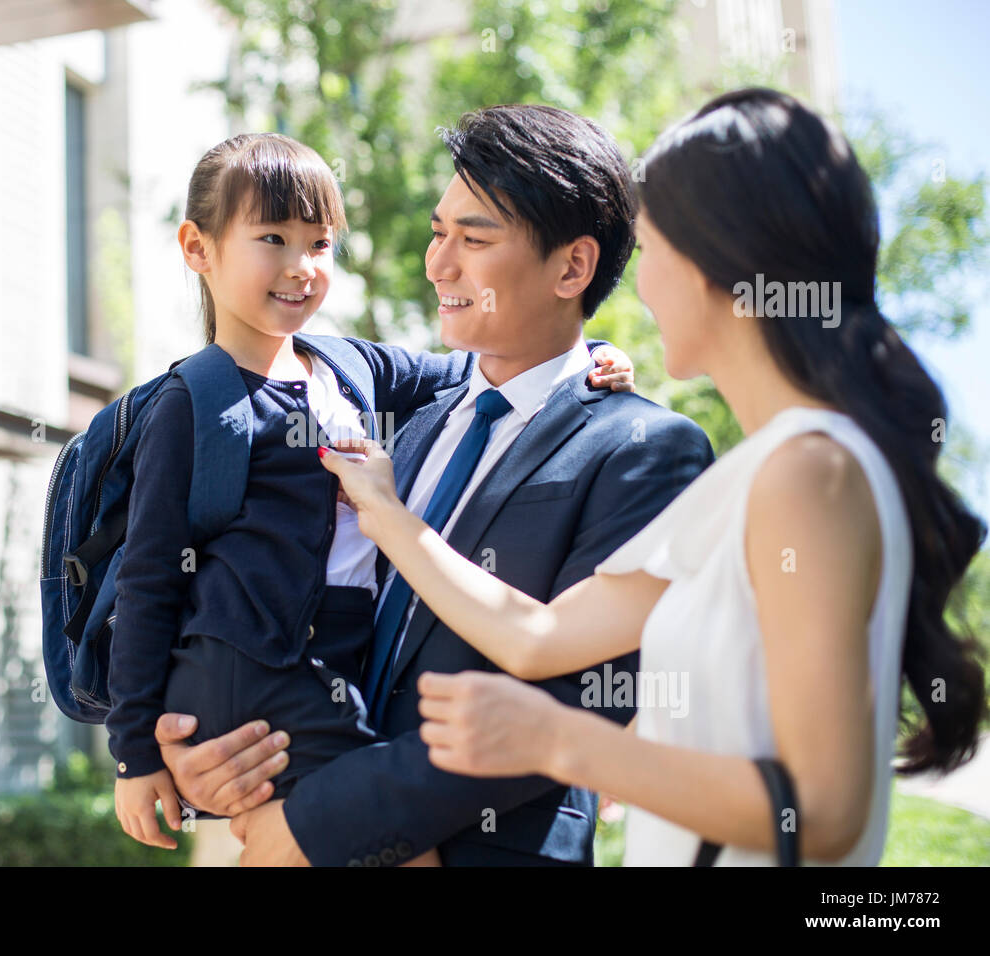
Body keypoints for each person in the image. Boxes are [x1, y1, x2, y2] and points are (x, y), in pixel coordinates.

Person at [317, 88, 988, 865]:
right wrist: (385, 511)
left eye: (654, 248)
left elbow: (827, 810)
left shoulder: (811, 471)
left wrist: (561, 740)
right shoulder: (758, 477)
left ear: (720, 264)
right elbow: (536, 639)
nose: (638, 283)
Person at [152, 106, 714, 866]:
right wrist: (212, 749)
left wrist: (320, 821)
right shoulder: (398, 429)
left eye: (473, 238)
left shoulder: (648, 450)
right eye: (437, 231)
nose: (437, 263)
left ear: (572, 268)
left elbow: (575, 705)